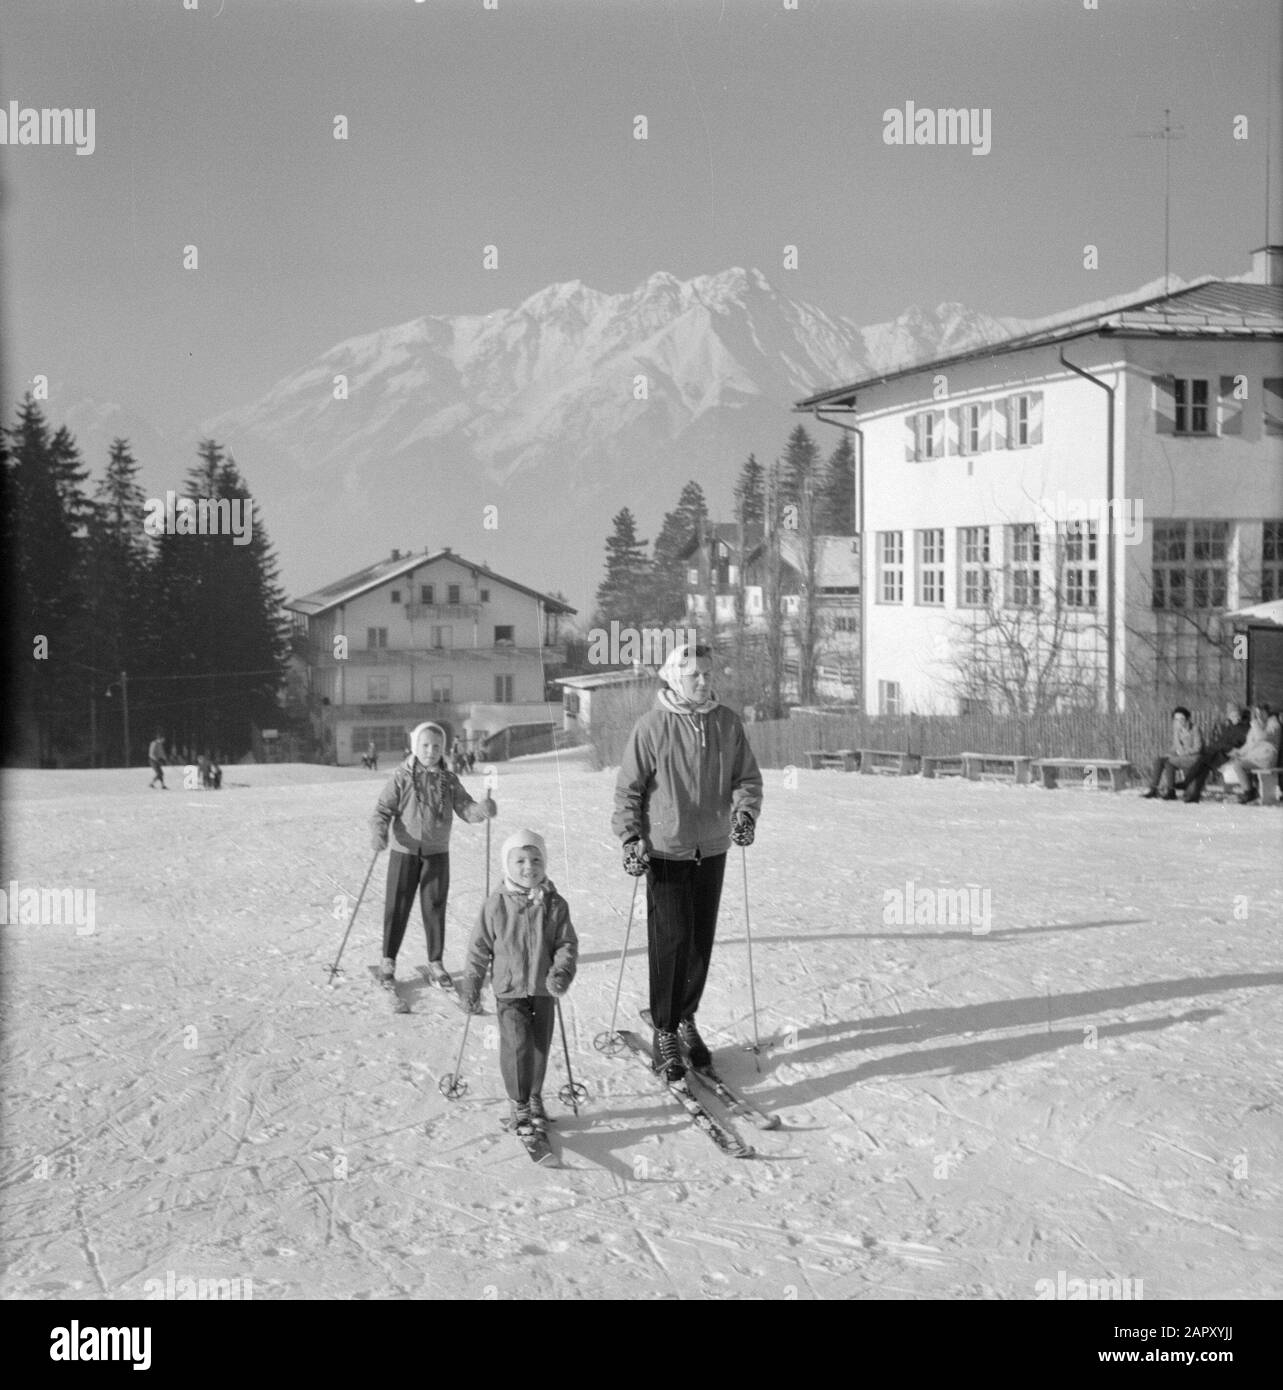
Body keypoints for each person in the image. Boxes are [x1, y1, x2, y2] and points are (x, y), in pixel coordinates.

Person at [612, 642, 763, 1082]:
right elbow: (629, 791)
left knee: (699, 942)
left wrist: (744, 814)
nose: (704, 681)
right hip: (666, 849)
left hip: (712, 847)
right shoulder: (652, 726)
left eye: (708, 674)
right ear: (676, 678)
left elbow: (746, 778)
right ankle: (664, 1028)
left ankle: (686, 1017)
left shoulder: (726, 722)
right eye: (695, 674)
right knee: (671, 940)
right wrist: (630, 837)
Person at [458, 829, 578, 1136]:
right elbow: (478, 947)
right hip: (509, 991)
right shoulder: (496, 904)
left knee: (539, 1047)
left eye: (536, 859)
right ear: (506, 864)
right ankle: (519, 1101)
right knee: (517, 1046)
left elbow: (566, 944)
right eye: (520, 860)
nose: (529, 867)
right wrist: (472, 984)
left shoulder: (555, 904)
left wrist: (561, 973)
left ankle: (534, 1096)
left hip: (543, 989)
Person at [371, 721, 496, 989]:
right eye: (425, 745)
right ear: (415, 746)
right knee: (397, 906)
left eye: (436, 746)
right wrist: (379, 832)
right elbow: (382, 809)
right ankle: (388, 959)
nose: (430, 750)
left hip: (437, 853)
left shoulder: (449, 780)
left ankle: (436, 961)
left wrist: (481, 810)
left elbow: (465, 807)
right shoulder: (401, 777)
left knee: (435, 907)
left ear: (444, 748)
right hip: (404, 851)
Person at [1181, 701, 1250, 803]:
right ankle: (1194, 794)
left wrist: (1222, 747)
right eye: (1233, 715)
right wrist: (1215, 747)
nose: (1236, 717)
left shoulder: (1244, 728)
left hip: (1229, 755)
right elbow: (1220, 742)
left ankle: (1187, 783)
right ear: (1229, 716)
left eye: (1237, 714)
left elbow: (1237, 744)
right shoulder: (1229, 727)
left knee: (1204, 761)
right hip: (1219, 754)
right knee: (1204, 765)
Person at [1219, 704, 1281, 804]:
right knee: (1235, 762)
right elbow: (1249, 744)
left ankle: (1248, 792)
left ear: (1267, 712)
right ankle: (1249, 791)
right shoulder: (1256, 725)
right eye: (1257, 713)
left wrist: (1254, 721)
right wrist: (1238, 752)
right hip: (1255, 757)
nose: (1259, 715)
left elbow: (1262, 736)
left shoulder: (1274, 724)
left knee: (1239, 765)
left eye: (1262, 712)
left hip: (1266, 758)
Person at [1142, 706, 1203, 800]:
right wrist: (1169, 753)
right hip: (1180, 758)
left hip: (1193, 757)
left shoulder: (1195, 729)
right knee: (1160, 760)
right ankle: (1154, 789)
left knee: (1169, 762)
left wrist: (1184, 752)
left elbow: (1198, 748)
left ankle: (1171, 791)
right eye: (1176, 719)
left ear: (1187, 718)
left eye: (1181, 718)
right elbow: (1175, 746)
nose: (1179, 721)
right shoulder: (1177, 730)